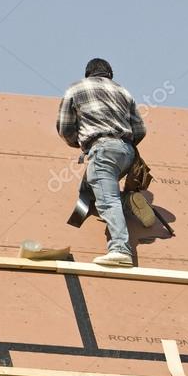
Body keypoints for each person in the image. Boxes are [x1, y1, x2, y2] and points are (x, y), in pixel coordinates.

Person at [56, 58, 154, 267]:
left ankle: (120, 250)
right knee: (88, 191)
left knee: (107, 200)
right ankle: (127, 201)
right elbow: (140, 130)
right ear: (110, 74)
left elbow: (64, 127)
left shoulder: (76, 88)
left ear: (88, 74)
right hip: (126, 152)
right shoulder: (123, 92)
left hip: (101, 151)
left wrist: (81, 143)